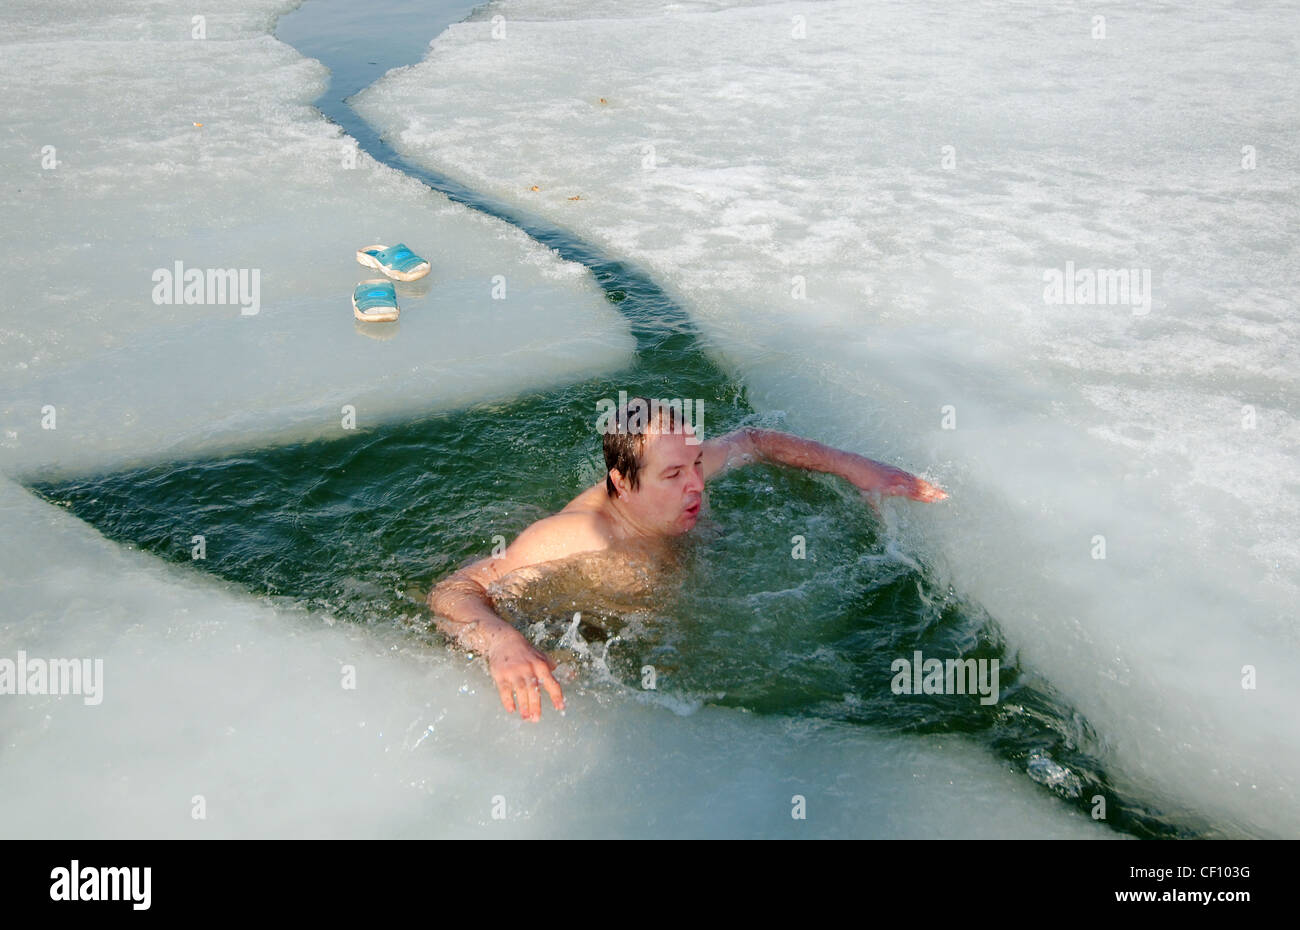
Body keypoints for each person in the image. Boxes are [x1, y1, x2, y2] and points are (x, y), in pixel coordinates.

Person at [427, 397, 947, 722]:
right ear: (623, 484)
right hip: (587, 625)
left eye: (697, 464)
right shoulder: (575, 537)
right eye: (674, 476)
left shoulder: (688, 472)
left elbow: (754, 441)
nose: (696, 484)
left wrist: (856, 468)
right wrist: (503, 642)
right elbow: (453, 591)